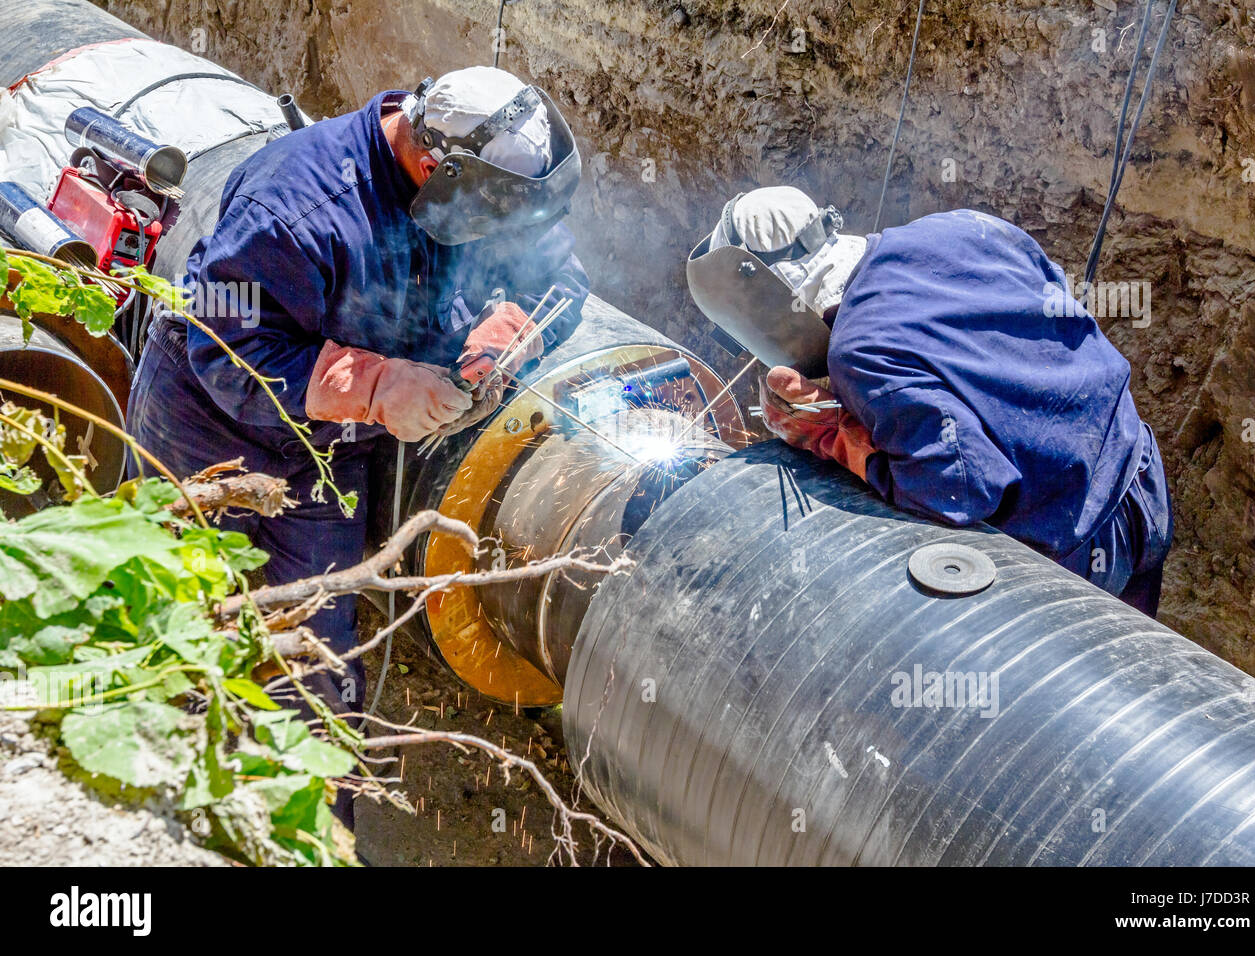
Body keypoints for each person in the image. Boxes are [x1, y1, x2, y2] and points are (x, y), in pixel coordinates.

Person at [127, 66, 590, 707]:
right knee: (179, 619)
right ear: (434, 170)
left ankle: (304, 788)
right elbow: (229, 355)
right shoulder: (291, 209)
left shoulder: (491, 184)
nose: (502, 235)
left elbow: (560, 278)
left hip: (332, 449)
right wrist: (374, 386)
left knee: (315, 658)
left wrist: (508, 333)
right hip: (209, 425)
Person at [687, 187, 1171, 615]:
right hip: (1140, 473)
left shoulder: (860, 350)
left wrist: (841, 442)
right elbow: (1046, 317)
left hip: (1077, 538)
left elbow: (963, 487)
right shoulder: (961, 226)